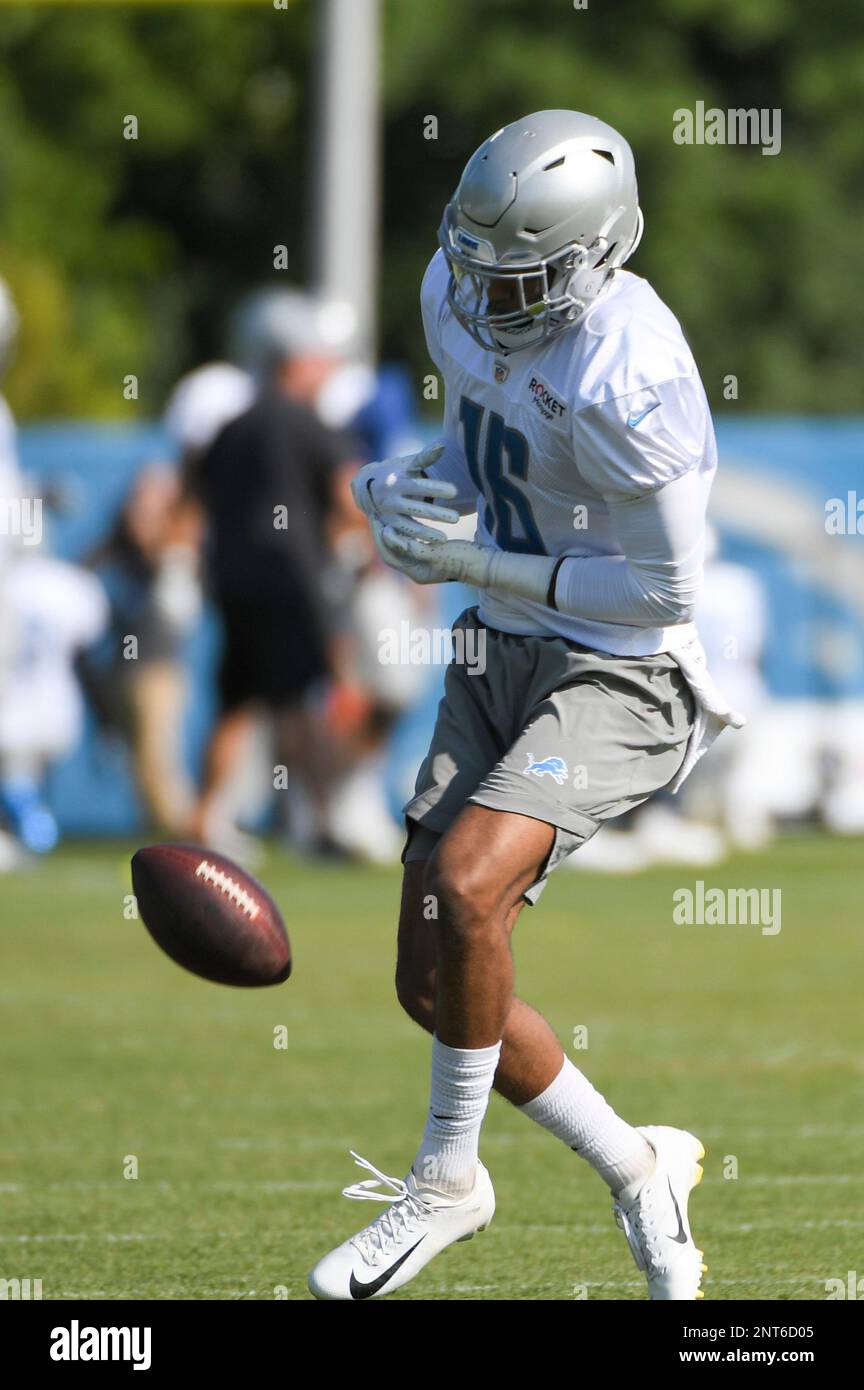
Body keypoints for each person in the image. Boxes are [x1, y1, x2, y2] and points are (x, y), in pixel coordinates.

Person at [309, 110, 742, 1301]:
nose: (488, 297)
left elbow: (663, 587)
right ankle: (637, 1165)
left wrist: (480, 563)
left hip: (621, 666)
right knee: (433, 978)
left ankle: (449, 1178)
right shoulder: (460, 286)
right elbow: (486, 445)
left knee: (470, 880)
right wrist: (406, 486)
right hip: (503, 642)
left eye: (525, 278)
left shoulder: (632, 369)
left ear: (600, 256)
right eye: (477, 265)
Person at [192, 292, 364, 857]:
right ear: (295, 360)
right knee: (298, 702)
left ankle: (207, 819)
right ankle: (318, 822)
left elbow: (196, 496)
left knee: (235, 702)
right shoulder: (307, 423)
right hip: (291, 581)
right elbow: (347, 500)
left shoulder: (232, 425)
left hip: (232, 579)